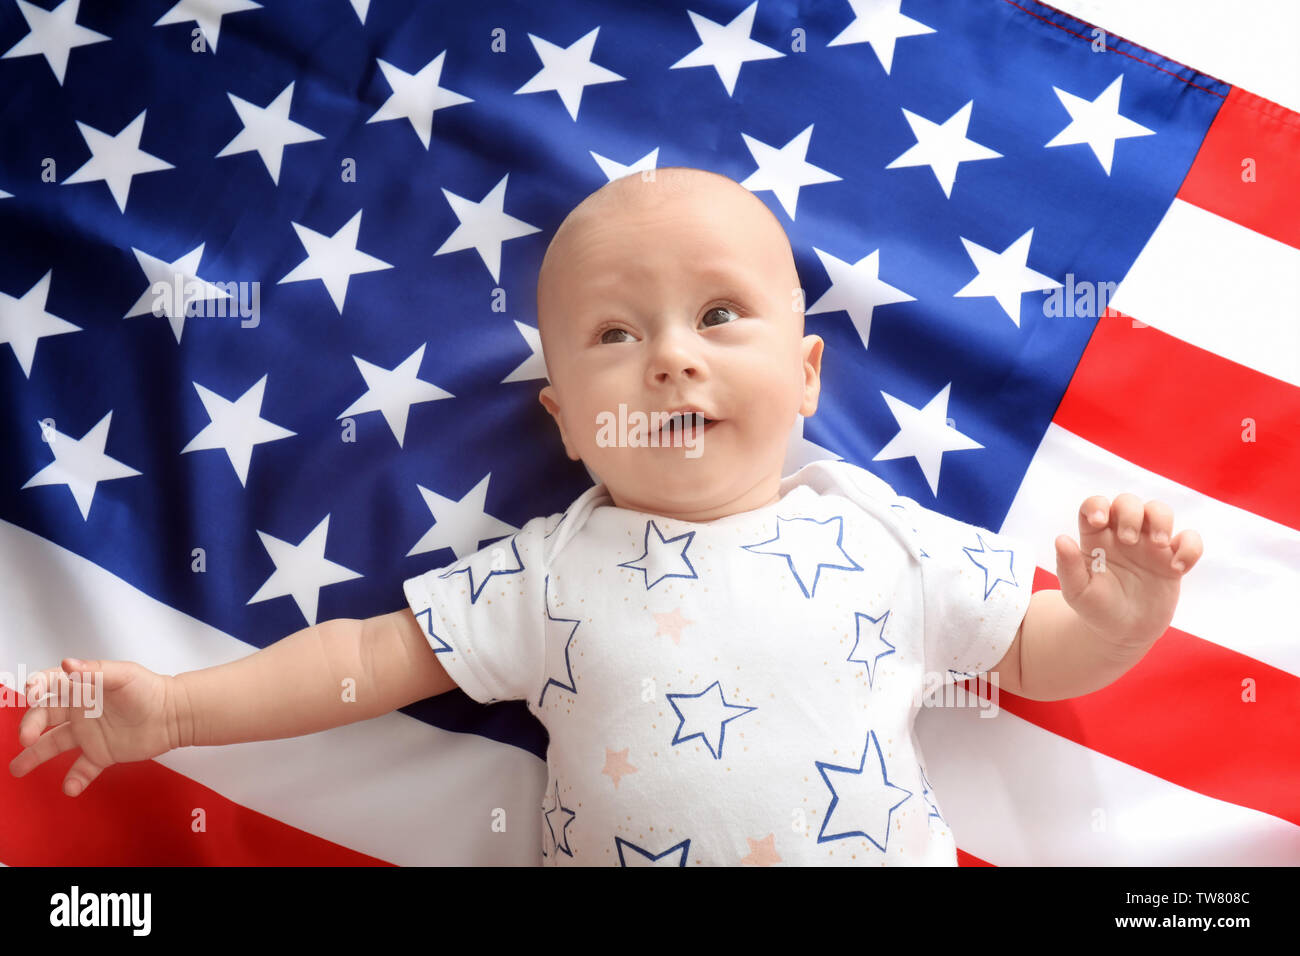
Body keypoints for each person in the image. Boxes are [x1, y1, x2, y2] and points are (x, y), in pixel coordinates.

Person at [9, 167, 1203, 866]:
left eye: (720, 316)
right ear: (568, 421)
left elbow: (1031, 656)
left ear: (806, 378)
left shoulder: (875, 529)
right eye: (617, 338)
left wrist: (1119, 615)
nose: (672, 362)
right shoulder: (548, 570)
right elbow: (364, 659)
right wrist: (174, 706)